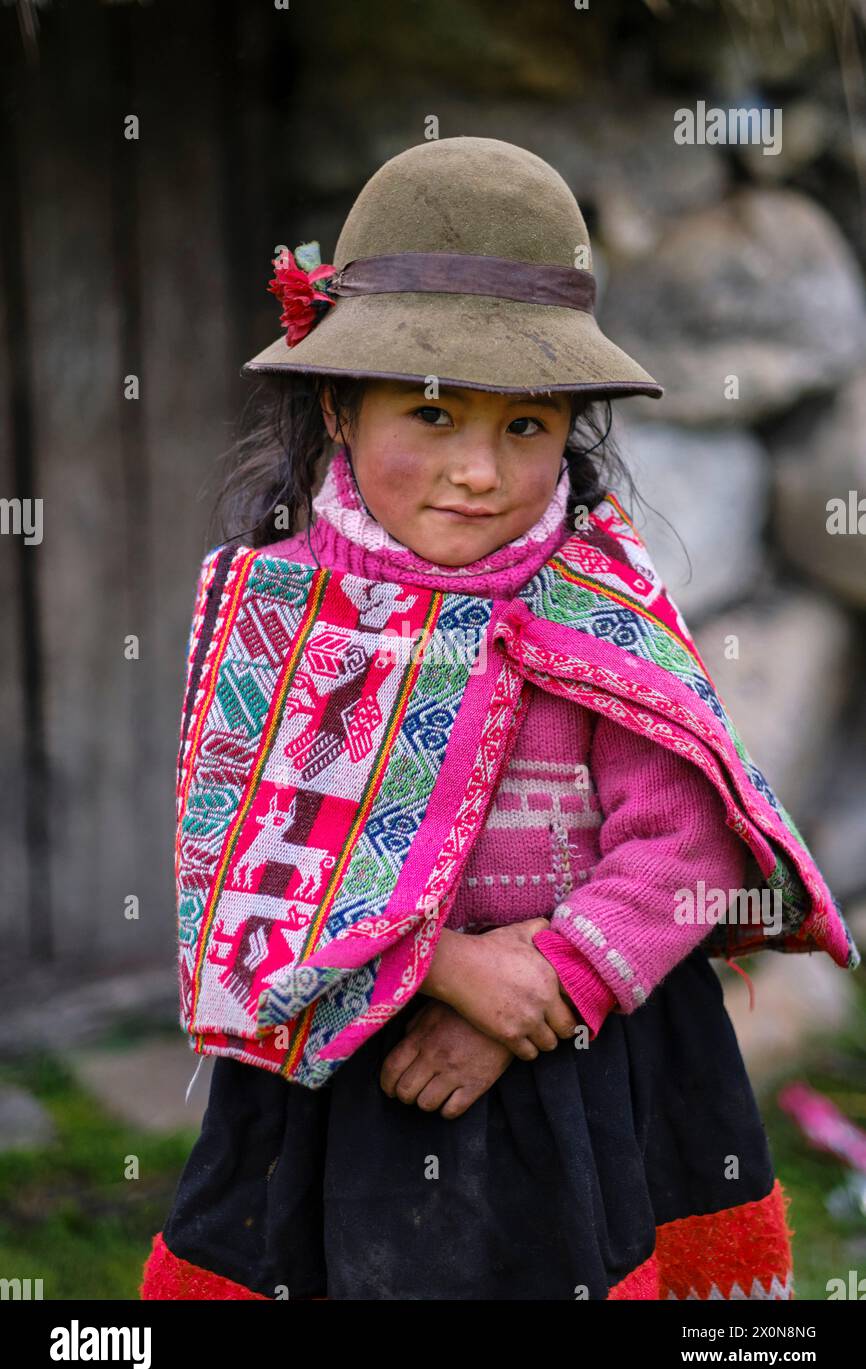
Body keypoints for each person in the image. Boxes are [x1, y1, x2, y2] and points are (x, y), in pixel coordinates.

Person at [139, 136, 853, 1301]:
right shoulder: (273, 615)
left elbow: (689, 843)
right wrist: (447, 968)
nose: (476, 469)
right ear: (338, 404)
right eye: (430, 414)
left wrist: (551, 981)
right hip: (343, 1086)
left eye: (524, 427)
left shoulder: (593, 607)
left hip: (587, 1081)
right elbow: (246, 874)